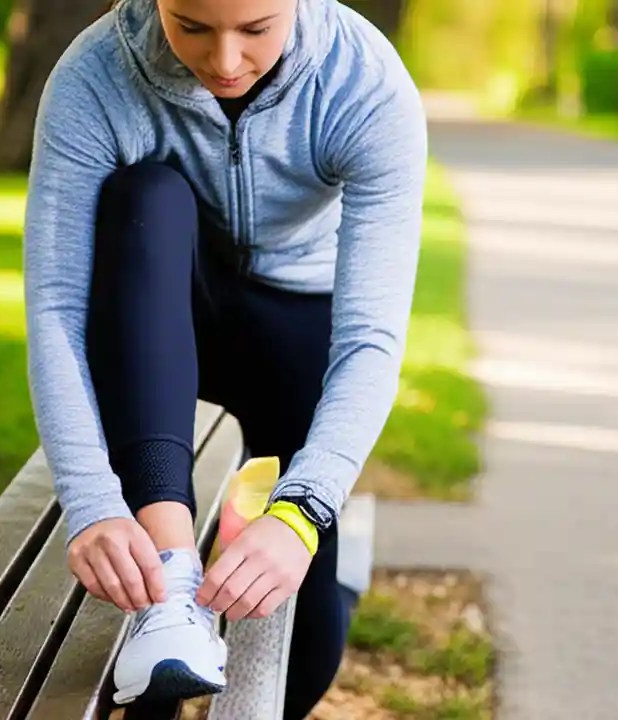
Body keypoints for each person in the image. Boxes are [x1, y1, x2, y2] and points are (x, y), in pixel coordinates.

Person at [21, 0, 426, 715]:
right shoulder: (96, 77)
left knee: (301, 657)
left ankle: (336, 570)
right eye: (193, 27)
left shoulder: (366, 85)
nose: (225, 61)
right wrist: (91, 505)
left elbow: (370, 337)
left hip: (299, 323)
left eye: (257, 30)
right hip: (165, 318)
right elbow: (56, 308)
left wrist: (302, 513)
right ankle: (173, 589)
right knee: (146, 194)